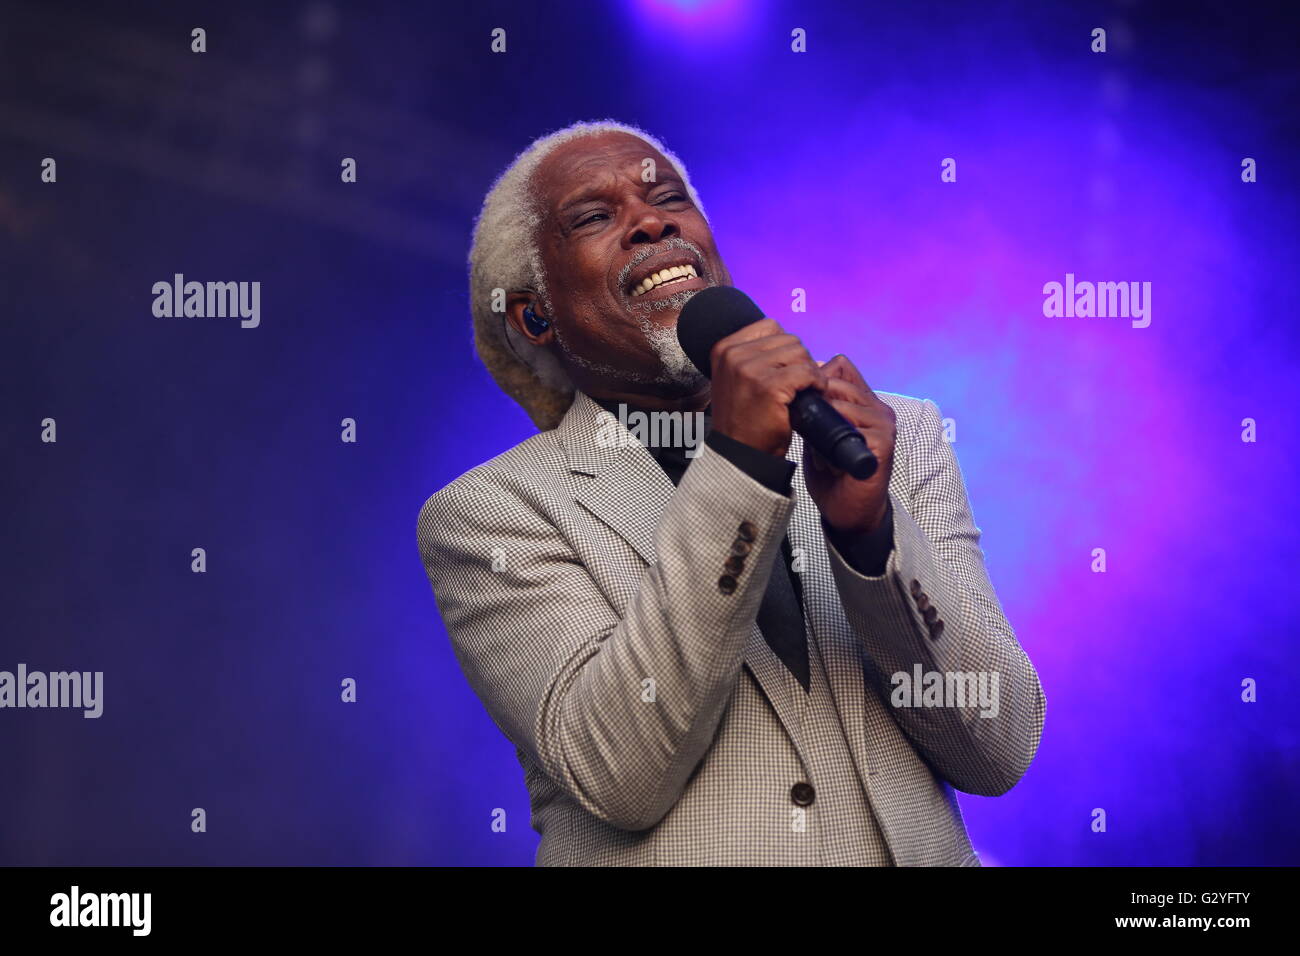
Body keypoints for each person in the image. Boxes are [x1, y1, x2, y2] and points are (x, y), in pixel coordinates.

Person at [417, 119, 1045, 866]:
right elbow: (620, 773)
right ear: (535, 315)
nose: (652, 220)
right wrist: (741, 469)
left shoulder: (888, 433)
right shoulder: (492, 513)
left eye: (669, 198)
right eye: (594, 216)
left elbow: (997, 748)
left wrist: (870, 540)